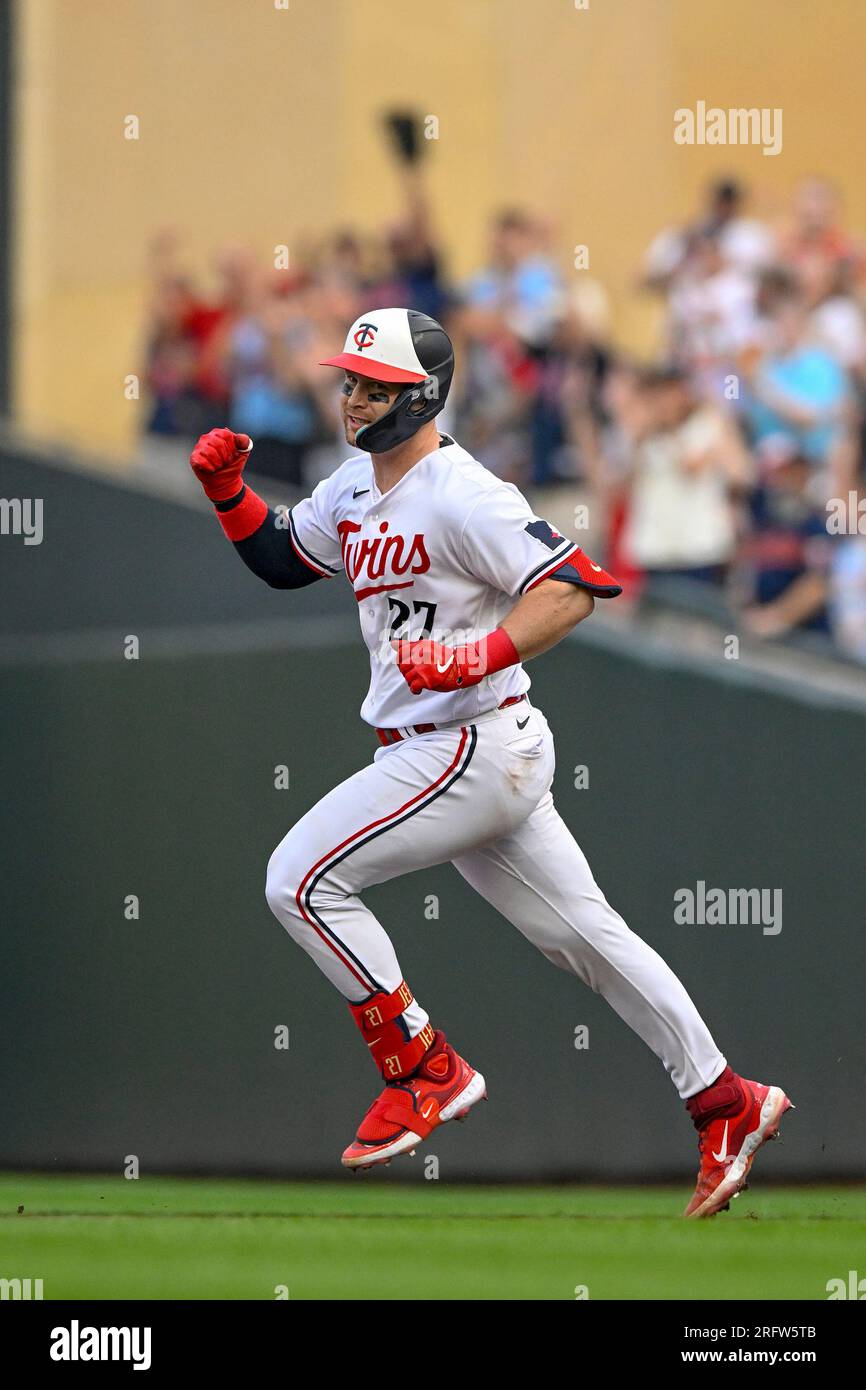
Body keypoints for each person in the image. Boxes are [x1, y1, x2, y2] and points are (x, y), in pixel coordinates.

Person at [189, 307, 792, 1218]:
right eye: (349, 382)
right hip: (460, 746)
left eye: (372, 386)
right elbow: (283, 559)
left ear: (421, 393)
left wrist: (476, 656)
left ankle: (425, 1068)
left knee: (298, 880)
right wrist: (232, 496)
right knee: (589, 941)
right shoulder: (354, 488)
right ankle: (725, 1101)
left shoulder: (463, 492)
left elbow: (574, 588)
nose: (352, 398)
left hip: (467, 740)